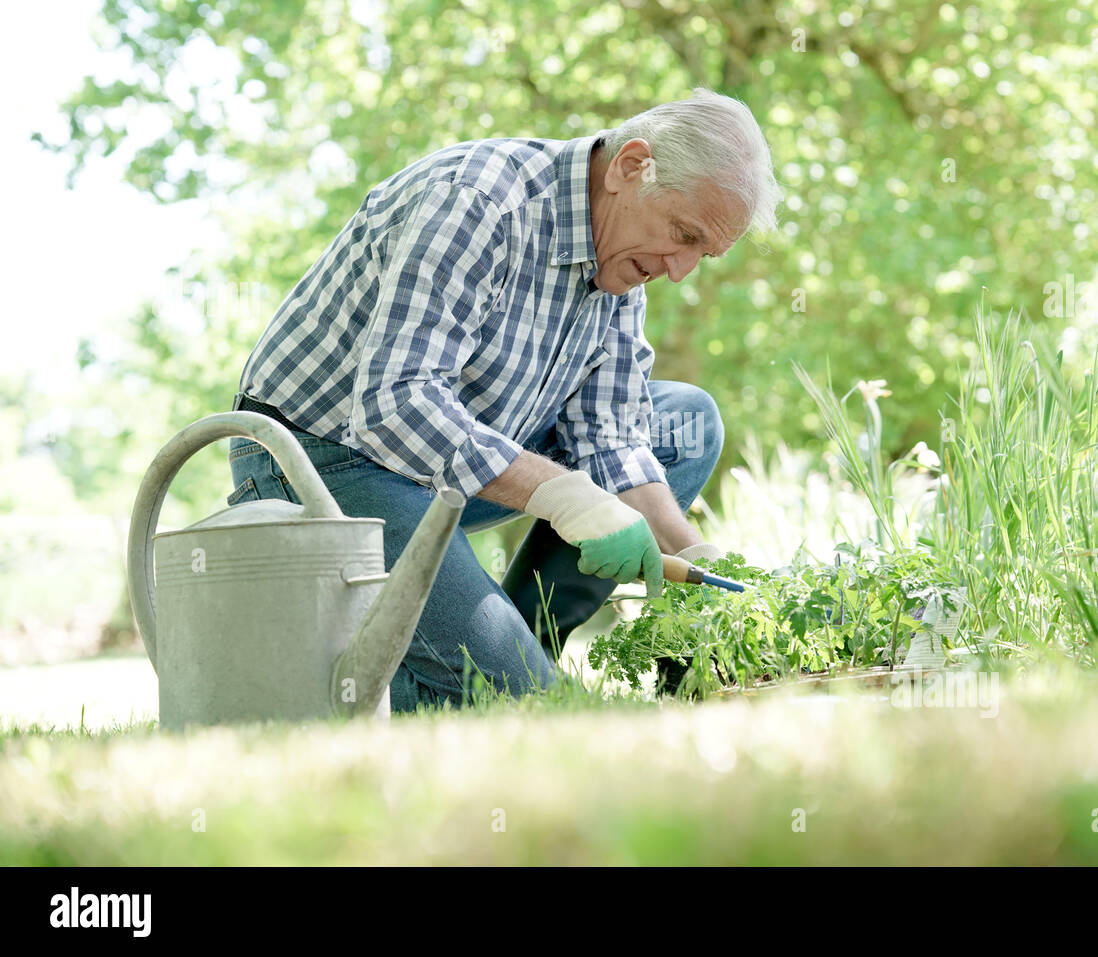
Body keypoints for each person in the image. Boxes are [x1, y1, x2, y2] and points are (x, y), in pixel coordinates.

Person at [226, 88, 782, 709]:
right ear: (632, 166)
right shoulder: (479, 201)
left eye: (700, 254)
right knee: (506, 693)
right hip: (324, 462)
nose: (680, 270)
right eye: (683, 235)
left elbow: (614, 438)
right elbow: (395, 402)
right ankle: (423, 690)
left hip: (445, 473)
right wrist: (565, 495)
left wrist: (692, 553)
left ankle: (525, 649)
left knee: (686, 422)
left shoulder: (625, 264)